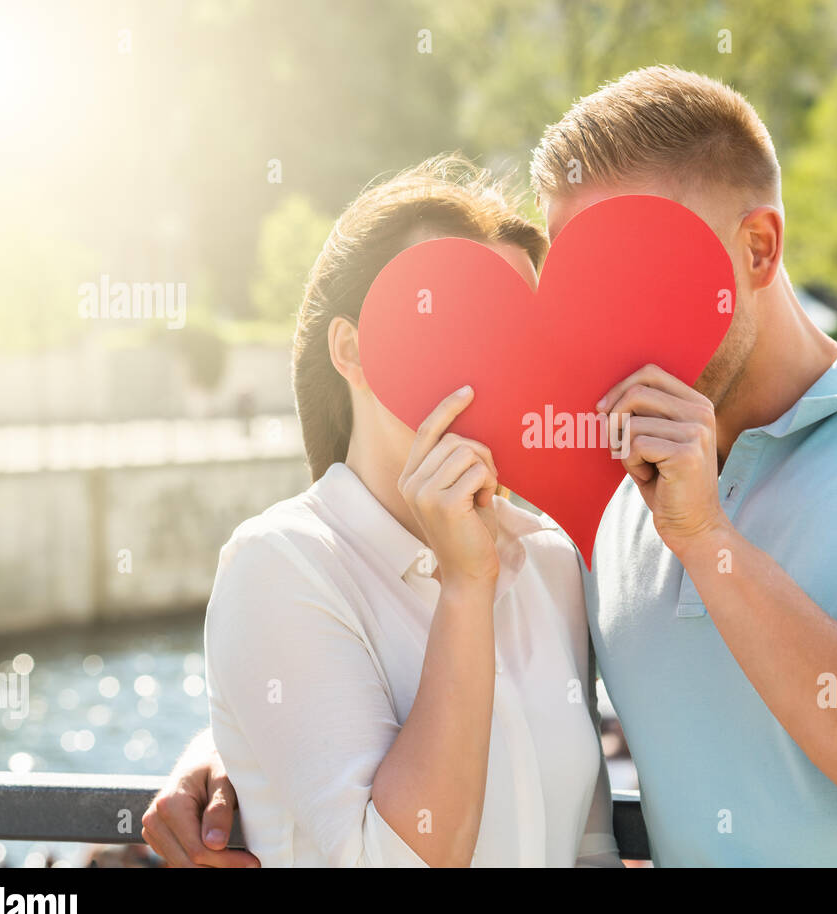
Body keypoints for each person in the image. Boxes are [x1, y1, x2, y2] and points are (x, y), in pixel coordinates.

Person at [146, 67, 837, 867]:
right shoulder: (611, 504)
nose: (607, 304)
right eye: (581, 271)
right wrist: (238, 754)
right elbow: (402, 666)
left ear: (759, 247)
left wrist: (708, 539)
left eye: (639, 258)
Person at [141, 157, 620, 867]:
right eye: (452, 314)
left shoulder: (548, 558)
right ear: (351, 347)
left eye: (518, 330)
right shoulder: (279, 565)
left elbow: (589, 845)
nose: (490, 359)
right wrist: (463, 585)